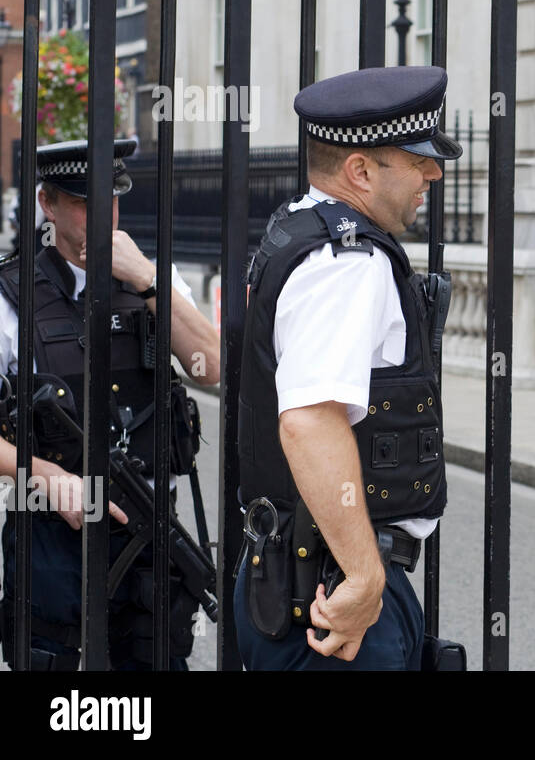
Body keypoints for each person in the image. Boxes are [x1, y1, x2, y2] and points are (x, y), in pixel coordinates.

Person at [233, 65, 461, 670]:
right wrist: (362, 577)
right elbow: (308, 421)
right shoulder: (347, 261)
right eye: (417, 160)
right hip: (328, 588)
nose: (433, 173)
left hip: (305, 574)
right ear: (360, 169)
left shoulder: (299, 230)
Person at [0, 137, 221, 670]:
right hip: (53, 534)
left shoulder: (152, 281)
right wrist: (43, 475)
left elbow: (213, 367)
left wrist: (148, 281)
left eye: (111, 198)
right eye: (81, 202)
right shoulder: (10, 297)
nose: (101, 214)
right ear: (47, 204)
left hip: (149, 530)